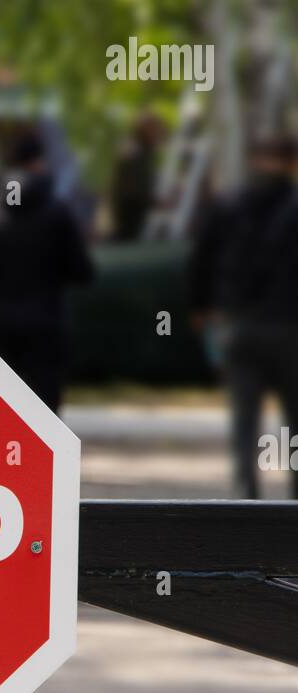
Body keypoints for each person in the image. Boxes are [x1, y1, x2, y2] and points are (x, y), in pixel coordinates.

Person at [0, 130, 95, 415]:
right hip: (46, 325)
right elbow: (83, 272)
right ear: (39, 163)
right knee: (44, 414)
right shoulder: (58, 212)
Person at [190, 134, 298, 499]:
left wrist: (200, 309)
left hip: (239, 326)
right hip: (289, 329)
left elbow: (201, 261)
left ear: (254, 160)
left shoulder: (227, 204)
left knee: (243, 423)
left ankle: (245, 503)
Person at [110, 112, 165, 241]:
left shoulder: (145, 151)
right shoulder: (133, 148)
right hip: (129, 209)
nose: (158, 134)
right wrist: (153, 202)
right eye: (154, 129)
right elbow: (133, 185)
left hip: (135, 207)